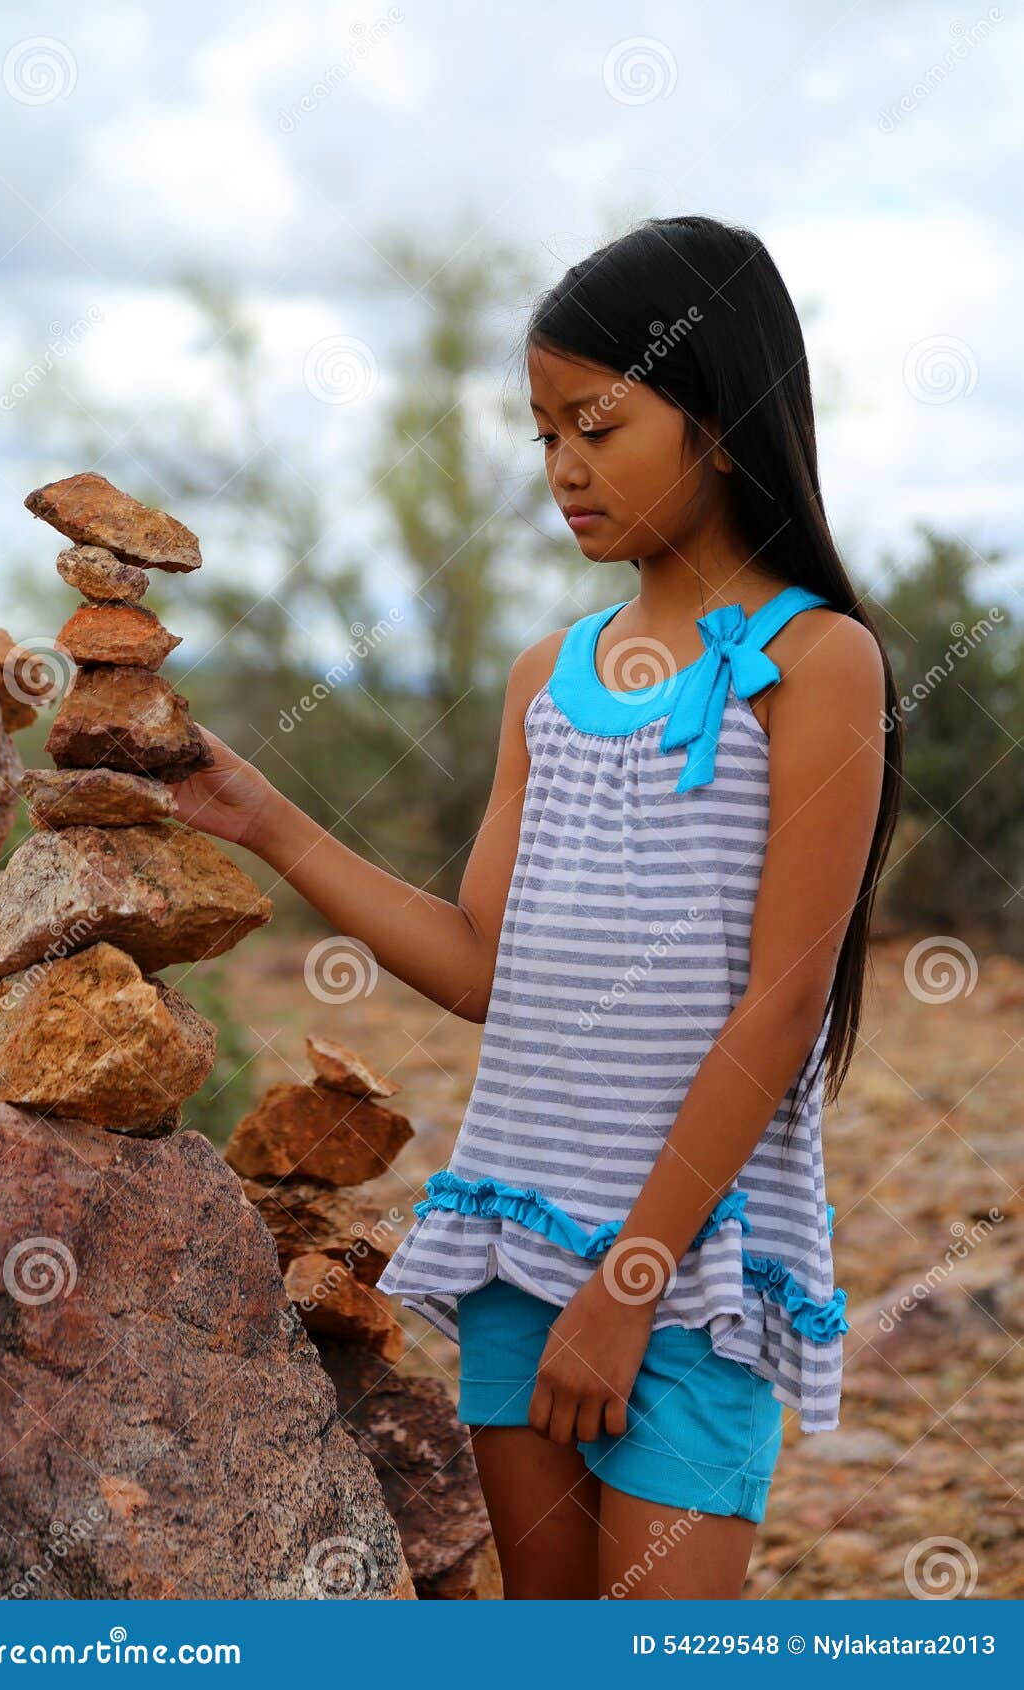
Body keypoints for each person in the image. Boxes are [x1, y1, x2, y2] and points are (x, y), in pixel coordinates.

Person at [167, 214, 901, 1600]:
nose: (562, 466)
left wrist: (629, 1288)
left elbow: (784, 998)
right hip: (520, 1239)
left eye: (600, 423)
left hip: (687, 1274)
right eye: (542, 431)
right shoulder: (544, 676)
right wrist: (261, 815)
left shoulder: (821, 664)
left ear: (726, 420)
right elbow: (478, 965)